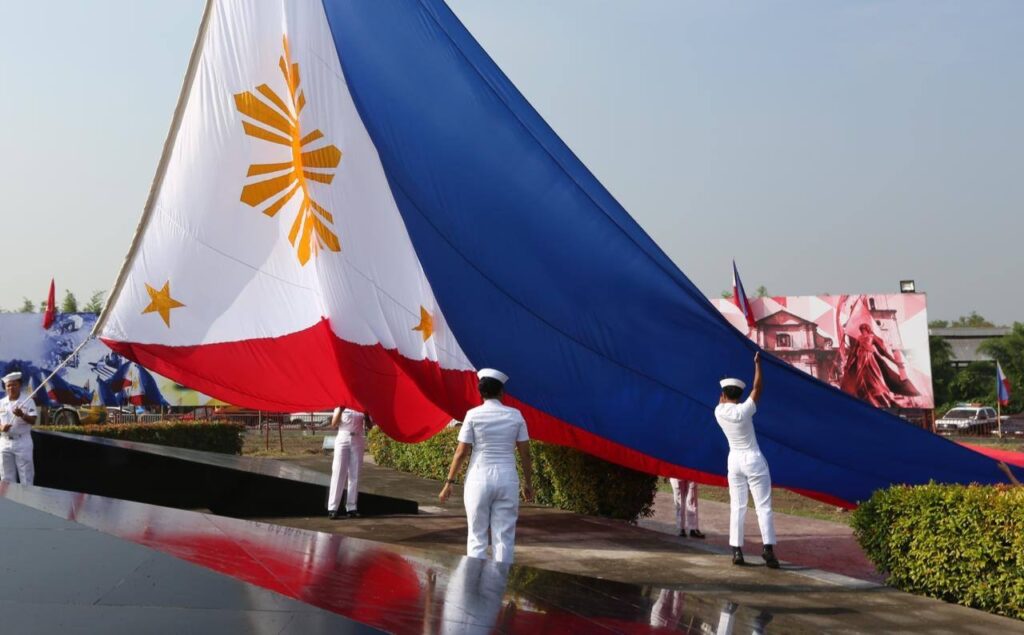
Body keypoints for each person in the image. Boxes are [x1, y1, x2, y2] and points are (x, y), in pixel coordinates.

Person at [439, 368, 534, 563]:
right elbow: (525, 453)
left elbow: (461, 452)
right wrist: (528, 483)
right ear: (501, 392)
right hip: (507, 479)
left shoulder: (473, 415)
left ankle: (473, 586)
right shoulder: (515, 415)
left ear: (481, 393)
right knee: (504, 537)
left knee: (477, 535)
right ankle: (499, 585)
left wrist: (449, 482)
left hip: (478, 478)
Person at [714, 352, 778, 568]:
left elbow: (725, 402)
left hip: (734, 461)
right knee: (763, 506)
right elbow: (757, 388)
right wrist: (758, 365)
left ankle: (736, 551)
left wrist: (723, 396)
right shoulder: (744, 410)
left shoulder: (718, 411)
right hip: (753, 458)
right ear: (739, 395)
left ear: (723, 395)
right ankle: (768, 550)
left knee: (737, 506)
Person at [327, 406, 372, 519]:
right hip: (343, 438)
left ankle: (351, 507)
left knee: (355, 474)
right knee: (338, 473)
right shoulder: (341, 405)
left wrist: (366, 415)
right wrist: (341, 410)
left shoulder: (362, 405)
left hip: (357, 439)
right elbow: (334, 424)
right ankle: (333, 508)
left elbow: (370, 427)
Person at [0, 371, 37, 485]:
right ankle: (8, 501)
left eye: (14, 384)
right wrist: (1, 427)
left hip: (22, 442)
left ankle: (26, 501)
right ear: (5, 387)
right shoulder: (1, 403)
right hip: (5, 442)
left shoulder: (28, 401)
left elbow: (33, 420)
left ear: (20, 385)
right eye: (8, 385)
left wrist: (22, 415)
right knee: (6, 477)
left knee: (26, 476)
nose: (11, 387)